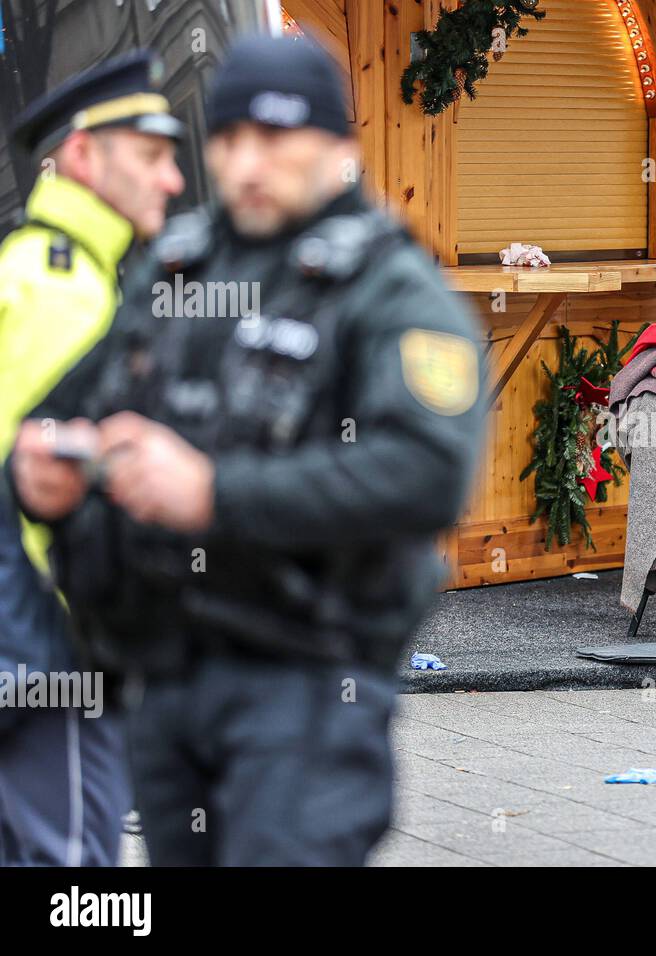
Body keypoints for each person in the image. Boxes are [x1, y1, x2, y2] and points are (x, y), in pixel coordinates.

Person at [7, 34, 486, 866]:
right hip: (168, 678)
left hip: (304, 689)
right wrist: (42, 475)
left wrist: (214, 495)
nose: (245, 163)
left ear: (337, 147)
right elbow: (62, 414)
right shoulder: (180, 267)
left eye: (274, 138)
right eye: (228, 140)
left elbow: (426, 472)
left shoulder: (389, 286)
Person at [0, 51, 185, 867]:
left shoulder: (32, 270)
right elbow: (46, 498)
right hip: (56, 653)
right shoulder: (68, 296)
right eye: (150, 154)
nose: (173, 179)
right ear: (82, 155)